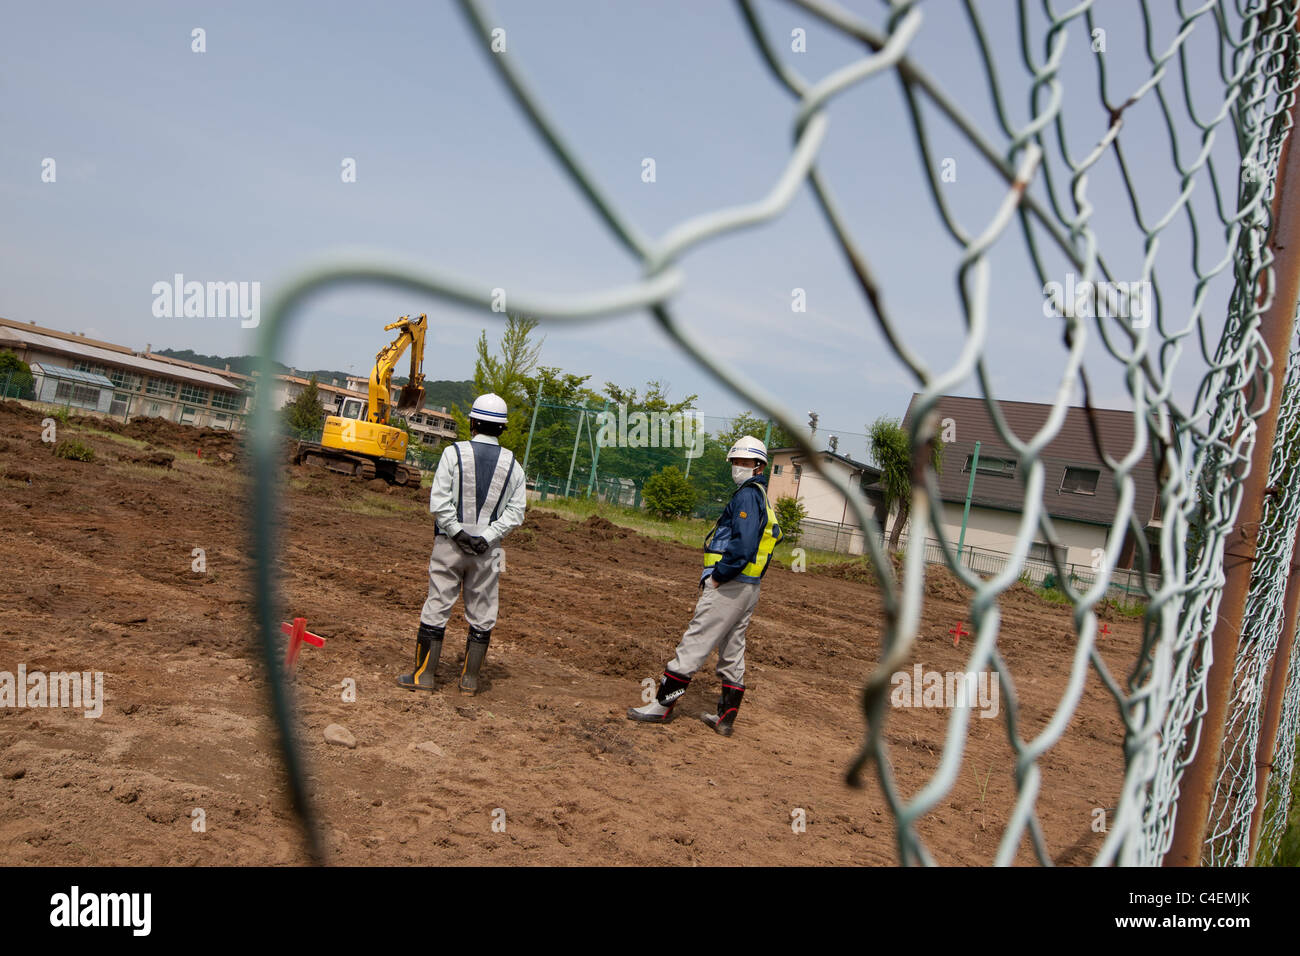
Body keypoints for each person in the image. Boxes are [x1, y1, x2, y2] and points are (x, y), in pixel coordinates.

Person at [627, 436, 782, 736]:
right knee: (733, 649)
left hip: (731, 584)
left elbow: (743, 544)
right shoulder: (760, 495)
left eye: (743, 462)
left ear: (759, 466)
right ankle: (725, 717)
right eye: (735, 461)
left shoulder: (748, 496)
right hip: (749, 587)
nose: (737, 467)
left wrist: (720, 574)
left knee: (696, 641)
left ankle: (661, 705)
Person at [398, 392, 526, 696]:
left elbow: (439, 501)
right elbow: (516, 512)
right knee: (483, 611)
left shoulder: (452, 453)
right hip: (489, 551)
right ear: (503, 429)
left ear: (472, 422)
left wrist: (458, 533)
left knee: (438, 604)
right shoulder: (514, 465)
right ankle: (469, 681)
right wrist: (488, 536)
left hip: (449, 544)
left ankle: (423, 677)